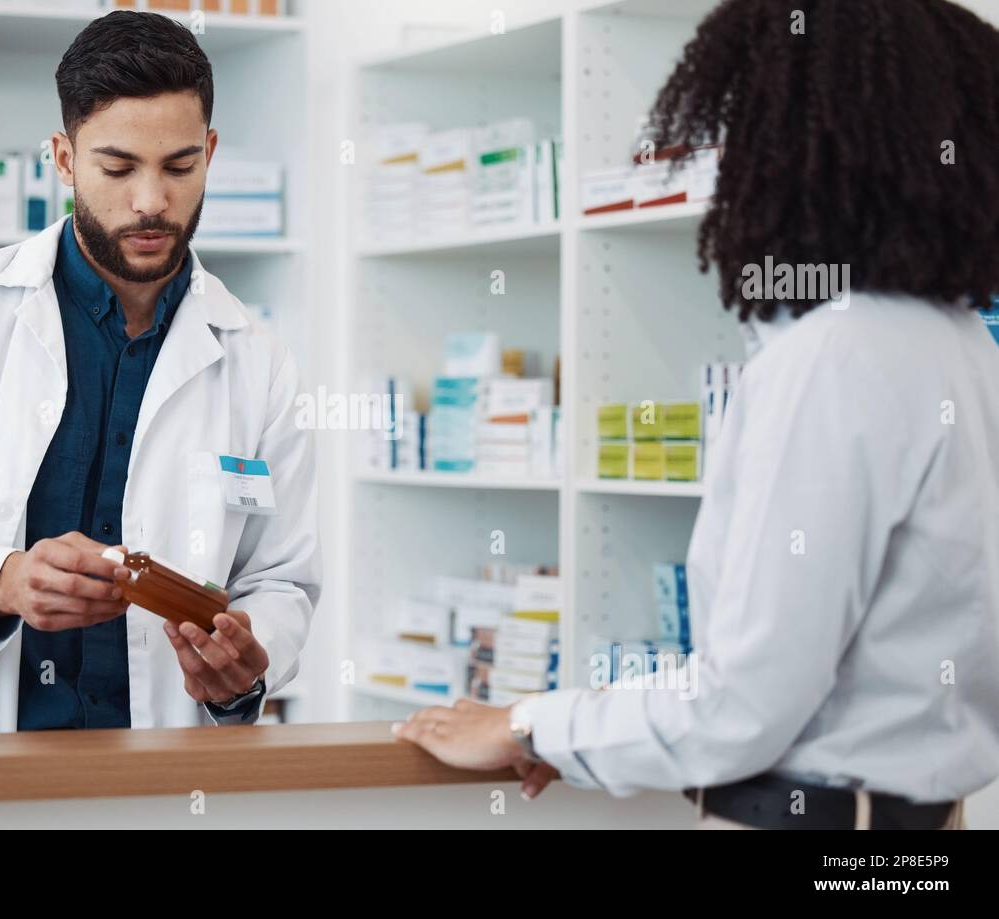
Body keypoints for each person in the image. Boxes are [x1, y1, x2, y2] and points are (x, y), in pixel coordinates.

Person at [395, 0, 999, 830]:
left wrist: (529, 721)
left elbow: (742, 704)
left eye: (744, 126)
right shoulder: (963, 344)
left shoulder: (832, 356)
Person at [0, 12, 320, 735]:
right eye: (117, 168)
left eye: (180, 166)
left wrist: (248, 661)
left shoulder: (258, 360)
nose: (151, 200)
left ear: (210, 153)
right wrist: (1, 580)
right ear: (62, 158)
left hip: (160, 769)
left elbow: (283, 578)